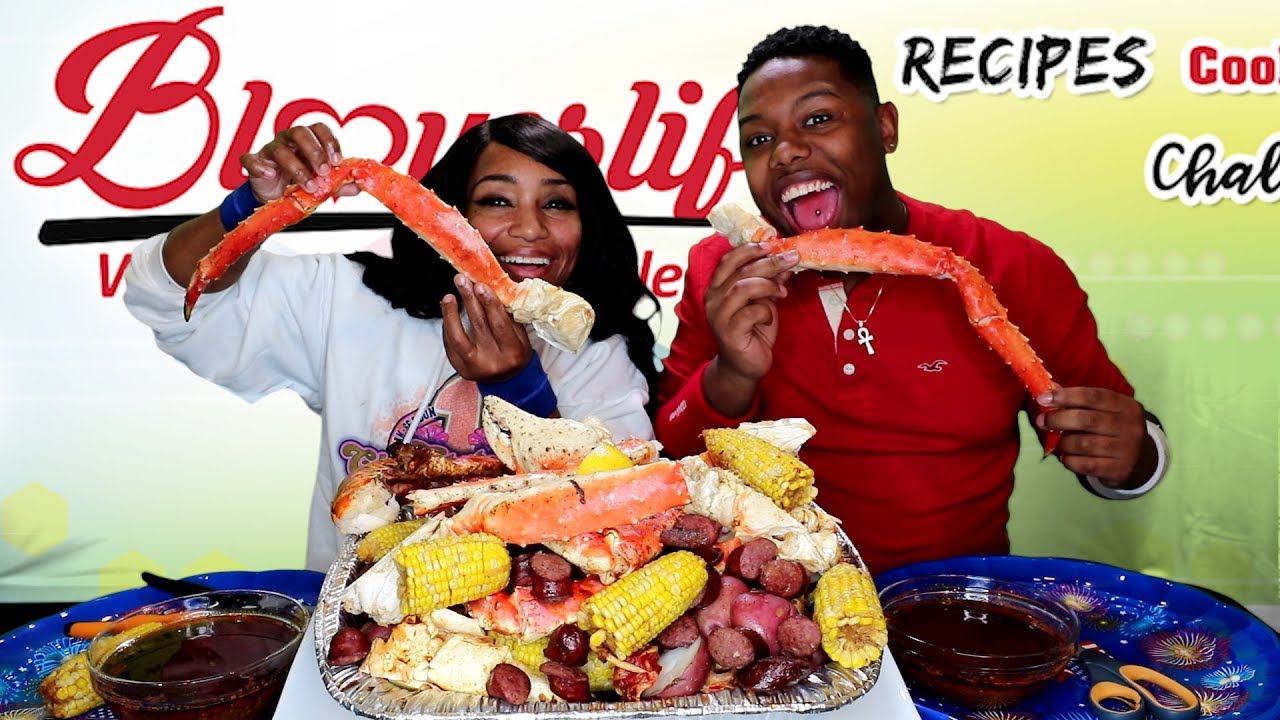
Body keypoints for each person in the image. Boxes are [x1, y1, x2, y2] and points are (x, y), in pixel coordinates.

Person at [655, 26, 1169, 576]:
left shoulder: (1011, 265)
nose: (786, 151)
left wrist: (1134, 456)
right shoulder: (723, 269)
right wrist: (731, 373)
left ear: (885, 127)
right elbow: (670, 453)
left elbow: (1115, 443)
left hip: (957, 598)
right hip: (775, 605)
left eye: (818, 119)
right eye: (759, 139)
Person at [124, 115, 660, 571]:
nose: (529, 229)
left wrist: (521, 387)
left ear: (589, 226)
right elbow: (170, 294)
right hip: (350, 625)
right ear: (454, 214)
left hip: (526, 640)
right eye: (497, 199)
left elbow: (625, 516)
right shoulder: (349, 300)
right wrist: (250, 204)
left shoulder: (597, 352)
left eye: (558, 204)